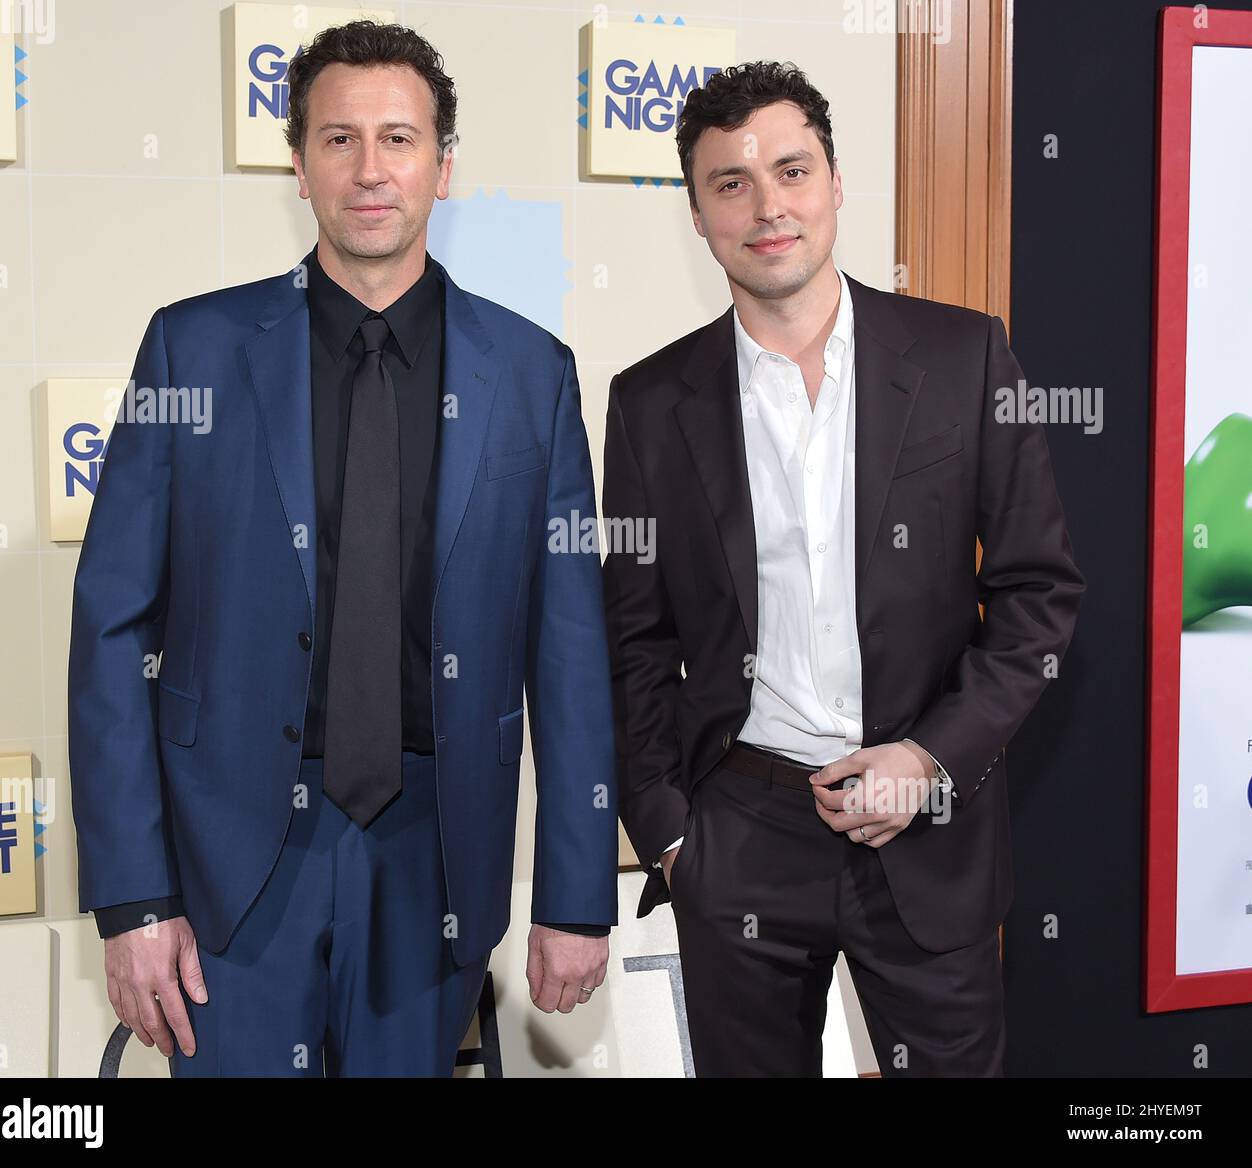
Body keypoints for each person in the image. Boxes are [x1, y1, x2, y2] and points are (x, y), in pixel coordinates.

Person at [68, 20, 616, 1077]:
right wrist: (134, 895)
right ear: (299, 164)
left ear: (443, 166)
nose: (371, 170)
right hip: (229, 860)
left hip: (435, 860)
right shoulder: (195, 348)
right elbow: (110, 627)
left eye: (400, 139)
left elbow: (572, 652)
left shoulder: (532, 374)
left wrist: (576, 898)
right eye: (339, 139)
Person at [602, 60, 1085, 1077]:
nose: (766, 205)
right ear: (695, 212)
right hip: (736, 835)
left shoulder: (965, 359)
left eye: (790, 170)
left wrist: (927, 761)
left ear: (832, 181)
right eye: (729, 182)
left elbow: (1039, 593)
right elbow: (633, 638)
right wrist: (672, 837)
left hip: (926, 834)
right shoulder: (650, 402)